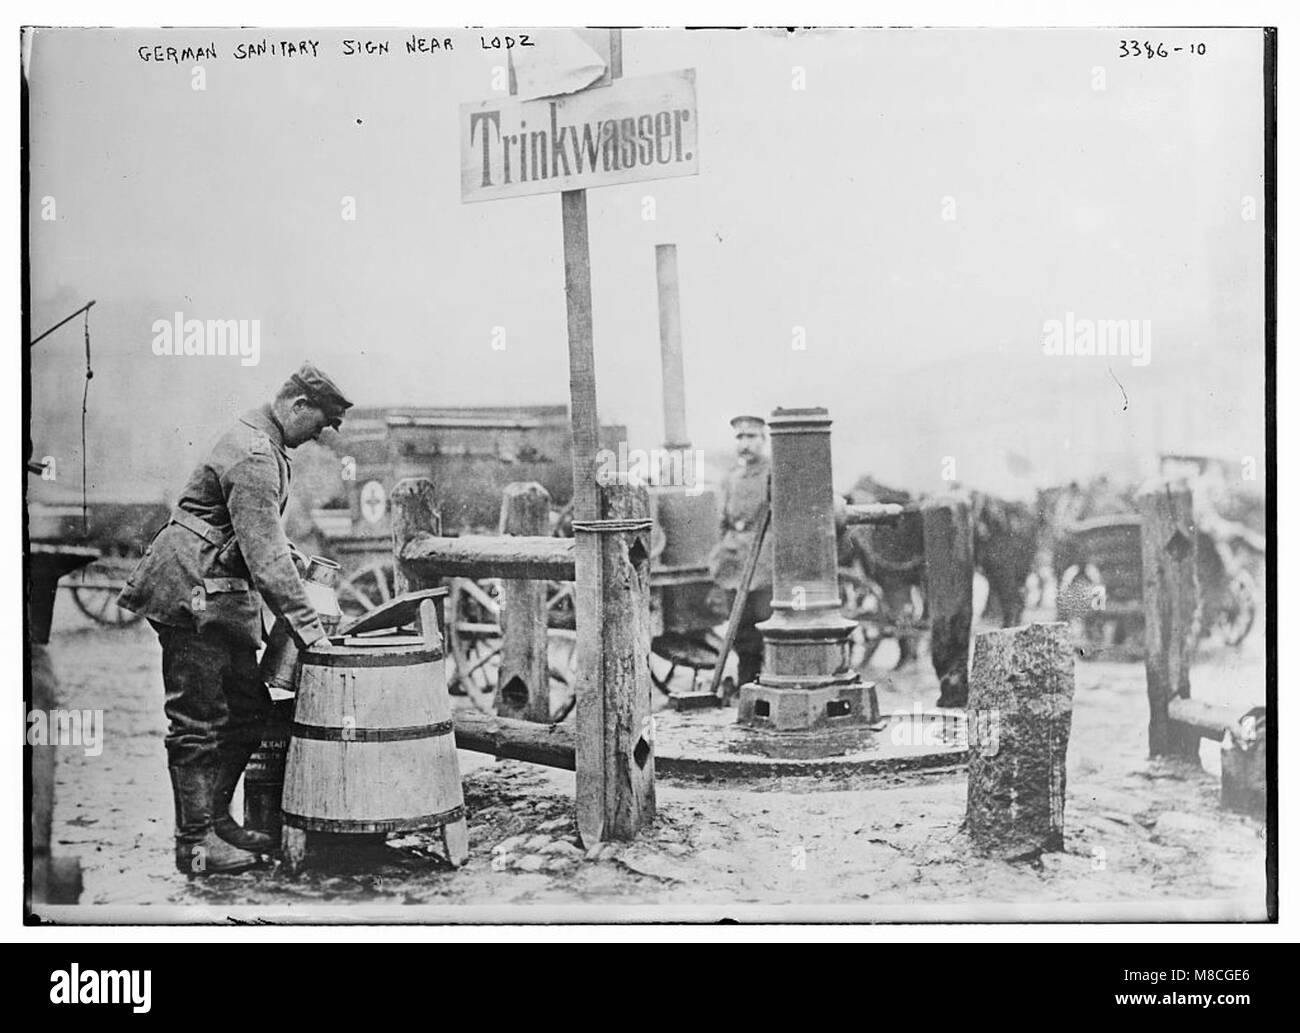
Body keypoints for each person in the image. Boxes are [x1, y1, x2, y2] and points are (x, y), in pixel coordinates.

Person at [118, 363, 353, 875]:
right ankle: (197, 843)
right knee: (196, 721)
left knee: (247, 712)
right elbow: (262, 557)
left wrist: (297, 563)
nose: (316, 436)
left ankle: (216, 819)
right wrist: (313, 634)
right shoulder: (253, 454)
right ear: (296, 406)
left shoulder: (265, 445)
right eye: (316, 425)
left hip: (217, 596)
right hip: (191, 596)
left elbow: (251, 532)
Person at [707, 414, 774, 691]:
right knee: (740, 626)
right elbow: (723, 521)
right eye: (740, 438)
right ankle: (747, 683)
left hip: (765, 558)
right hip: (736, 558)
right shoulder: (731, 477)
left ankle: (769, 679)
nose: (745, 444)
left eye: (751, 437)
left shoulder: (773, 473)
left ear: (763, 440)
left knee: (764, 621)